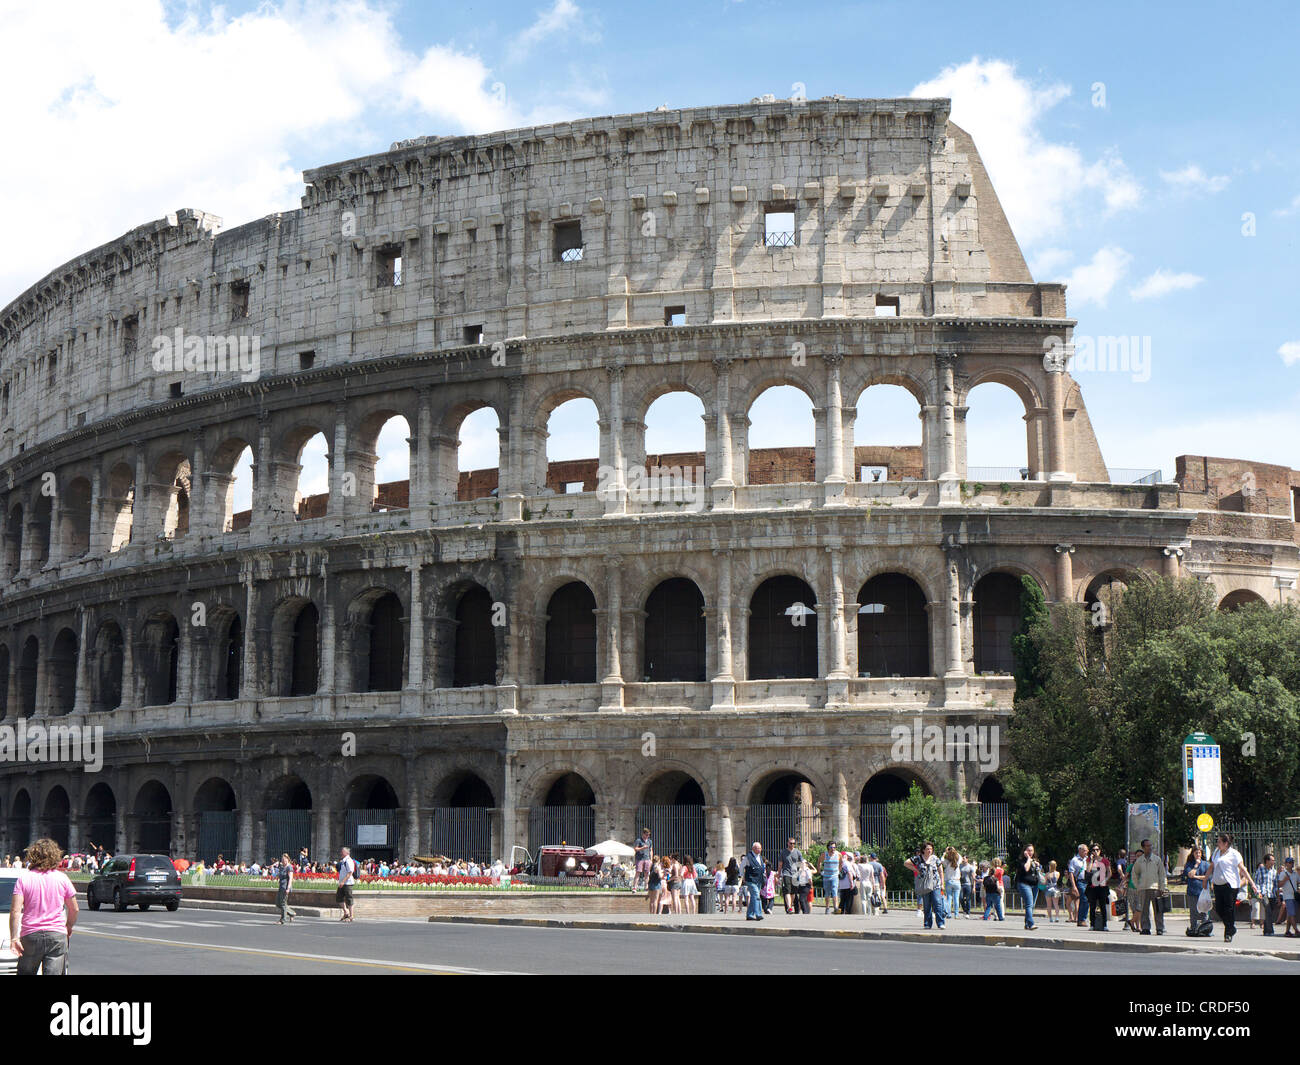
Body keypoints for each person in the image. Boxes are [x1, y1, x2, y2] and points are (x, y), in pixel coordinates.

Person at [9, 838, 78, 975]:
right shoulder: (62, 878)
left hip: (31, 934)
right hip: (56, 935)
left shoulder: (24, 879)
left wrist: (14, 938)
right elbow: (74, 908)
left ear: (32, 856)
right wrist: (68, 926)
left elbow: (15, 911)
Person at [1208, 832, 1257, 943]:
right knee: (1219, 909)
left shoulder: (1234, 854)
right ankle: (1231, 927)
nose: (1217, 843)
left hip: (1230, 885)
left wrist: (1252, 883)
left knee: (1229, 909)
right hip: (1217, 884)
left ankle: (1228, 933)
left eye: (1219, 841)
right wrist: (1206, 879)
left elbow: (1243, 869)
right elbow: (1212, 867)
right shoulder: (1216, 852)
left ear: (1226, 843)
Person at [1130, 837, 1168, 935]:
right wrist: (1137, 886)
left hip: (1155, 888)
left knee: (1158, 910)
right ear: (1143, 847)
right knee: (1144, 910)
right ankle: (1145, 928)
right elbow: (1134, 874)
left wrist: (1162, 887)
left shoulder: (1157, 859)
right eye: (1147, 846)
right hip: (1143, 888)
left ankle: (1160, 928)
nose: (1150, 848)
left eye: (1150, 845)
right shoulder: (1139, 860)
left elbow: (1162, 874)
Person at [906, 842, 946, 930]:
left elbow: (941, 871)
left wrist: (942, 883)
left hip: (935, 884)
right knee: (927, 905)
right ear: (923, 850)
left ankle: (941, 923)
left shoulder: (935, 858)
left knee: (937, 903)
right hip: (924, 885)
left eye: (931, 849)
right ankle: (927, 923)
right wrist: (916, 870)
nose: (929, 850)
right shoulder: (918, 858)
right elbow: (906, 863)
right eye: (928, 849)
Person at [1183, 845, 1209, 931]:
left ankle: (1205, 928)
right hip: (1192, 891)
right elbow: (1190, 875)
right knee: (1193, 911)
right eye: (1196, 853)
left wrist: (1196, 877)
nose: (1198, 854)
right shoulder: (1189, 864)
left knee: (1204, 911)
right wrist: (1196, 865)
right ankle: (1193, 928)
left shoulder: (1206, 864)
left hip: (1203, 890)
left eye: (1199, 853)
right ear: (1193, 854)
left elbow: (1207, 877)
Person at [1085, 844, 1110, 931]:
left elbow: (1109, 872)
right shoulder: (1089, 860)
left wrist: (1105, 880)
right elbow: (1088, 871)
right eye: (1093, 850)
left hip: (1102, 886)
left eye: (1097, 849)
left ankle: (1105, 924)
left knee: (1103, 905)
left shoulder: (1105, 860)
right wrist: (1092, 860)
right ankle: (1092, 924)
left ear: (1100, 850)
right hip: (1093, 885)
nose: (1095, 851)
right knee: (1092, 905)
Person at [1254, 853, 1279, 936]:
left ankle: (1265, 930)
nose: (1274, 862)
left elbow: (1275, 884)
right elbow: (1257, 882)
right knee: (1267, 910)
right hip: (1263, 893)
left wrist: (1277, 895)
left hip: (1272, 894)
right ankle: (1270, 931)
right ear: (1267, 861)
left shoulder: (1274, 871)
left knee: (1270, 912)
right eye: (1272, 860)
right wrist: (1258, 892)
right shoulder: (1260, 870)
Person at [1017, 845, 1041, 930]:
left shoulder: (1035, 861)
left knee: (1032, 905)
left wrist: (1038, 865)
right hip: (1024, 884)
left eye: (1031, 850)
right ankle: (1031, 924)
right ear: (1024, 851)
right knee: (1029, 904)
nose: (1030, 852)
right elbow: (1026, 869)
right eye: (1028, 850)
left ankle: (1027, 923)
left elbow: (1038, 872)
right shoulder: (1022, 861)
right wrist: (1028, 859)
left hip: (1034, 885)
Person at [742, 843, 766, 921]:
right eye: (757, 848)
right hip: (751, 879)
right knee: (756, 895)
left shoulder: (760, 857)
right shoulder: (748, 857)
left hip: (758, 879)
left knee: (754, 897)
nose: (759, 850)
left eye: (760, 848)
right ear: (753, 848)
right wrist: (742, 876)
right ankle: (758, 914)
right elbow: (741, 867)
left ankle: (749, 915)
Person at [779, 837, 803, 914]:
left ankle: (790, 906)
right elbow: (780, 864)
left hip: (795, 874)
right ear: (788, 843)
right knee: (787, 891)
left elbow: (801, 863)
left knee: (793, 892)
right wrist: (779, 873)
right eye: (790, 843)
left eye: (793, 843)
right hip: (786, 873)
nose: (792, 845)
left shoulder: (798, 852)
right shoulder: (783, 852)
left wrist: (800, 871)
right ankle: (789, 907)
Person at [1069, 843, 1090, 927]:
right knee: (1084, 899)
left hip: (1088, 881)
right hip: (1080, 881)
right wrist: (1074, 886)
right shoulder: (1074, 860)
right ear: (1079, 850)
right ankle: (1082, 919)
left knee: (1086, 900)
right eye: (1084, 850)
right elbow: (1071, 873)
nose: (1086, 852)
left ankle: (1080, 919)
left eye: (1087, 850)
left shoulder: (1088, 859)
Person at [336, 846, 358, 923]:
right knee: (339, 898)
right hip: (342, 883)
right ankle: (346, 912)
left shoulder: (349, 861)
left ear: (347, 853)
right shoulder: (343, 861)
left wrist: (343, 881)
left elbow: (350, 872)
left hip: (348, 883)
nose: (341, 853)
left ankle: (351, 916)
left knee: (349, 899)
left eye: (342, 852)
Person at [1278, 856, 1298, 937]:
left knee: (1290, 914)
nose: (1291, 864)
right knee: (1292, 914)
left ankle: (1287, 931)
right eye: (1290, 862)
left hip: (1294, 896)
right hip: (1288, 896)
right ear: (1286, 864)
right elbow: (1279, 884)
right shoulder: (1283, 873)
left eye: (1292, 862)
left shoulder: (1295, 873)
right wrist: (1285, 880)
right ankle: (1296, 930)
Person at [275, 852, 297, 924]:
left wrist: (288, 888)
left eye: (284, 860)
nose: (283, 861)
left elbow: (290, 878)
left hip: (285, 887)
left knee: (283, 904)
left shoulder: (289, 867)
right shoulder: (282, 867)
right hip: (281, 886)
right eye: (282, 860)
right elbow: (280, 875)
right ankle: (291, 913)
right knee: (278, 903)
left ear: (287, 859)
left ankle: (283, 920)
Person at [942, 847, 962, 923]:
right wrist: (954, 850)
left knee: (949, 898)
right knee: (956, 899)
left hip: (949, 881)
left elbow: (941, 860)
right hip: (957, 881)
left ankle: (949, 914)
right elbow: (959, 856)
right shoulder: (957, 862)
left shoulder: (947, 862)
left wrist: (945, 853)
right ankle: (956, 914)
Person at [821, 844, 841, 915]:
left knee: (834, 890)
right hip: (826, 876)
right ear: (828, 848)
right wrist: (819, 870)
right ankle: (827, 908)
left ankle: (836, 907)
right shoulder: (824, 854)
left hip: (834, 876)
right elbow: (819, 861)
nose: (833, 849)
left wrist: (839, 870)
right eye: (831, 847)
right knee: (827, 893)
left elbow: (841, 862)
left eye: (834, 847)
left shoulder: (838, 854)